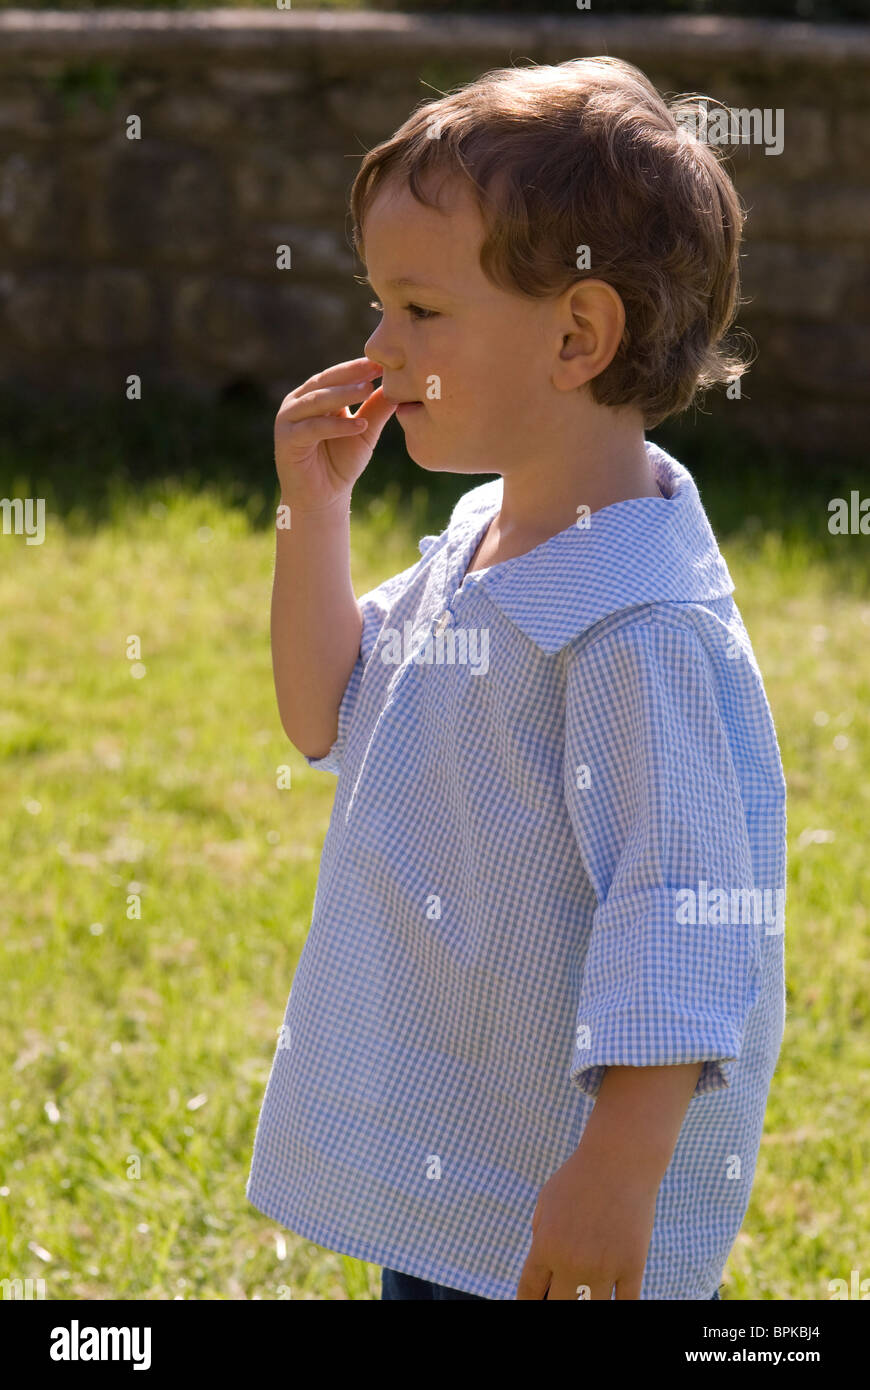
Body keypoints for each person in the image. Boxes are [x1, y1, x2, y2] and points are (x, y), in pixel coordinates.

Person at [246, 56, 786, 1301]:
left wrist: (619, 1168)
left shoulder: (637, 627)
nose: (380, 345)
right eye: (379, 303)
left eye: (421, 311)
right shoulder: (491, 534)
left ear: (578, 336)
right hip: (465, 1156)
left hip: (564, 1203)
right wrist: (312, 518)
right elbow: (324, 709)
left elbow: (686, 914)